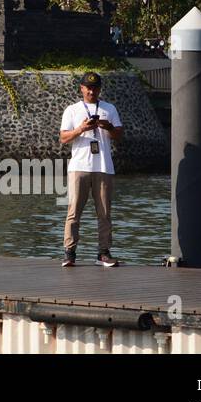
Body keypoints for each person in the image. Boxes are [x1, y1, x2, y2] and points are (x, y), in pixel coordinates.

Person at [60, 71, 122, 267]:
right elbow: (63, 138)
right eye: (88, 87)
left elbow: (118, 135)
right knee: (74, 211)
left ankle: (103, 253)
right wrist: (81, 129)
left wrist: (108, 126)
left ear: (100, 89)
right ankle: (70, 253)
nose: (91, 91)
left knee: (104, 213)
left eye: (95, 88)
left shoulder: (109, 108)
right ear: (81, 88)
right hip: (79, 166)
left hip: (103, 167)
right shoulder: (72, 110)